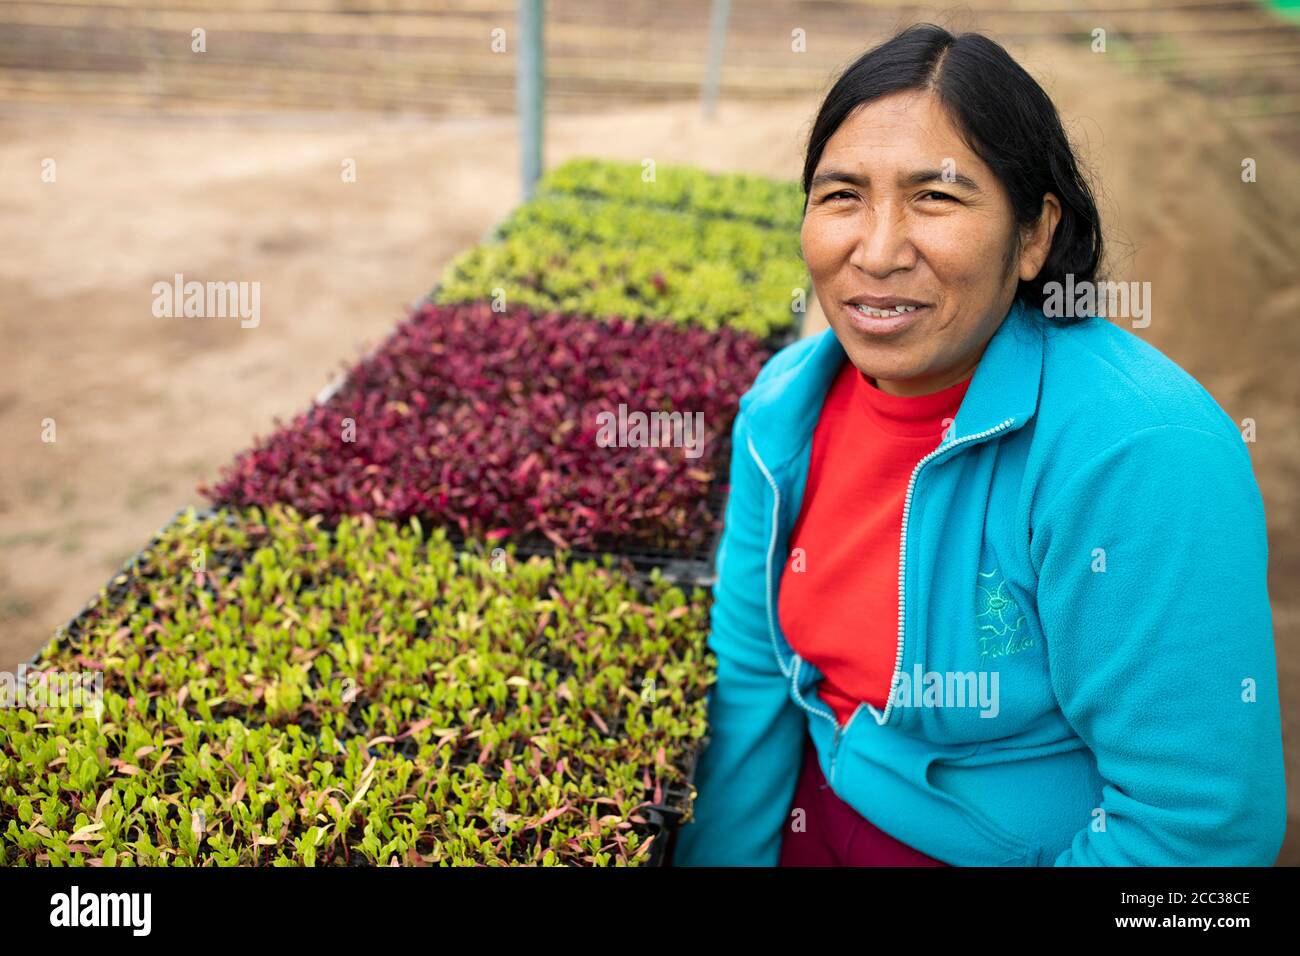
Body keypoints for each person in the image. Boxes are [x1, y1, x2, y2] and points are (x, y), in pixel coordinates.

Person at [672, 23, 1285, 866]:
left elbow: (1199, 836)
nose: (878, 252)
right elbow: (751, 684)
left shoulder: (1142, 453)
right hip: (821, 813)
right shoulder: (783, 411)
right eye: (841, 196)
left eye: (937, 197)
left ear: (1034, 235)